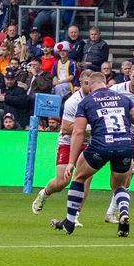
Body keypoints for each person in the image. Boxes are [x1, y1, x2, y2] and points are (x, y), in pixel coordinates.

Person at [50, 70, 134, 238]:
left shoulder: (87, 101)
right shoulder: (124, 99)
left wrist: (71, 162)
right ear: (105, 83)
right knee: (119, 185)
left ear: (91, 85)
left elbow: (78, 132)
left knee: (79, 177)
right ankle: (123, 212)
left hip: (101, 145)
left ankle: (70, 221)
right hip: (124, 145)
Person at [30, 85, 86, 217]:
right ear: (83, 83)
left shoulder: (98, 100)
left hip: (88, 143)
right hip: (68, 142)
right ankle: (44, 193)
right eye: (87, 82)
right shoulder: (73, 101)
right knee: (62, 182)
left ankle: (75, 215)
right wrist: (87, 128)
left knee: (84, 179)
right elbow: (66, 128)